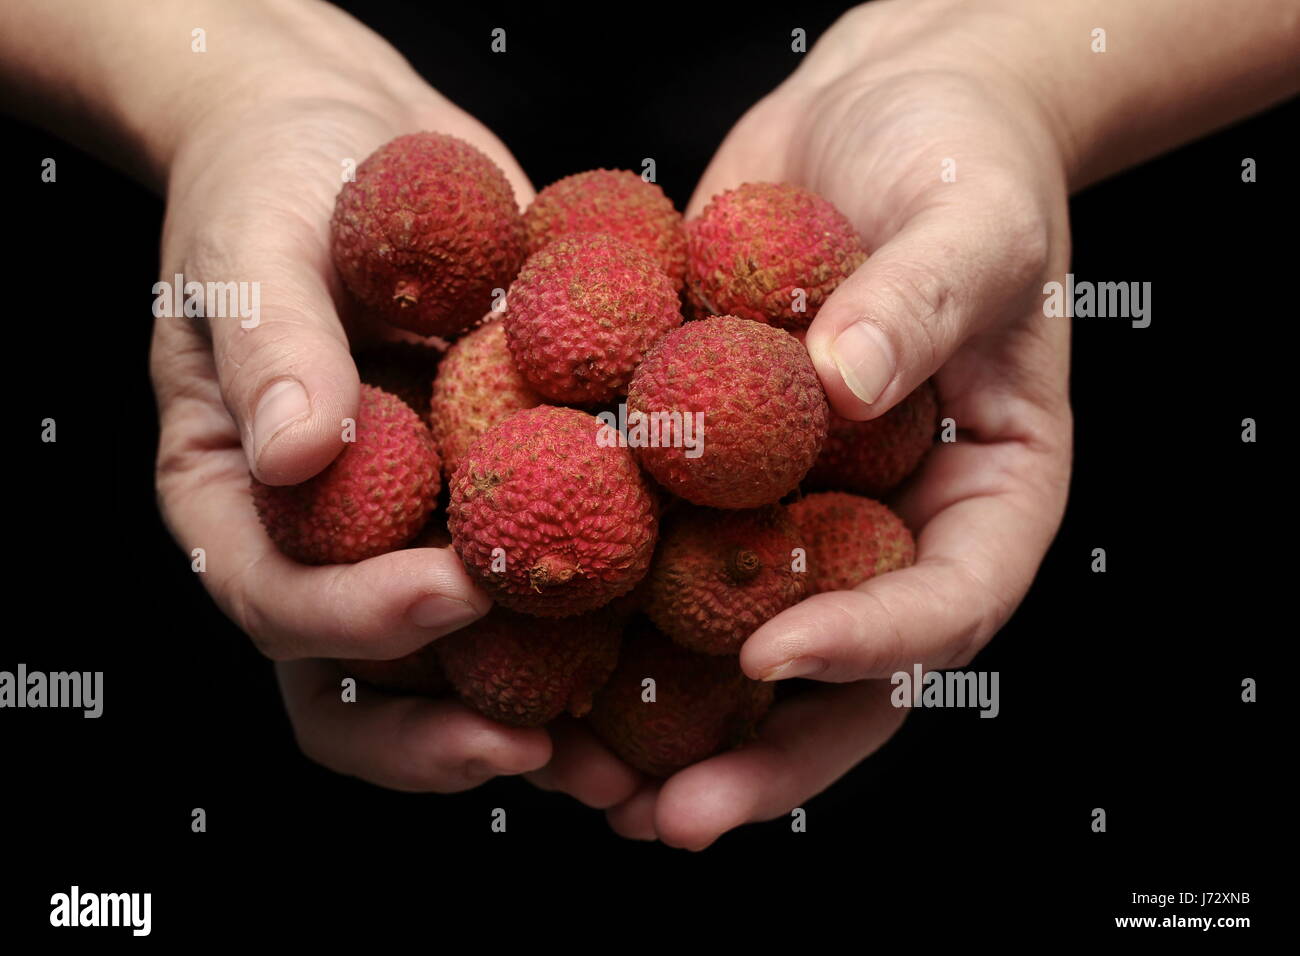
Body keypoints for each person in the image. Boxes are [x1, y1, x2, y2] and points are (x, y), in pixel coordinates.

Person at [3, 0, 1293, 849]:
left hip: (980, 299)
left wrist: (1018, 82)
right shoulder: (477, 381)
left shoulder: (802, 425)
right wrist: (225, 96)